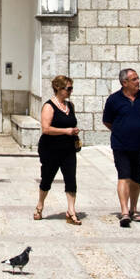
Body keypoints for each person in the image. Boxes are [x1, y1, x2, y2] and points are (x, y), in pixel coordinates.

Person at [103, 68, 140, 227]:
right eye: (134, 79)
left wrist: (137, 129)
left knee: (136, 178)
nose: (138, 82)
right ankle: (124, 211)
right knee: (123, 176)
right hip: (121, 145)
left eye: (138, 78)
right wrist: (121, 131)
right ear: (124, 83)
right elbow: (107, 121)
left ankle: (134, 209)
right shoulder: (113, 100)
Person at [35, 75, 81, 225]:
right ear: (59, 89)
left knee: (71, 179)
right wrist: (66, 131)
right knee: (47, 178)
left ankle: (71, 211)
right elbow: (46, 129)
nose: (71, 91)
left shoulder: (70, 106)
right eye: (69, 88)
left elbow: (71, 123)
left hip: (68, 149)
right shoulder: (49, 106)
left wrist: (73, 132)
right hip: (50, 149)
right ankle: (40, 205)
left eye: (71, 88)